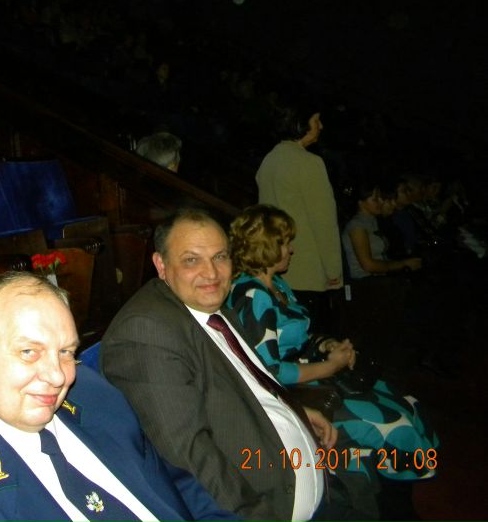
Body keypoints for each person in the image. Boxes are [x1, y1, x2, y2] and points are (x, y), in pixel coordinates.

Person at [0, 272, 240, 522]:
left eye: (65, 352)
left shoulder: (95, 396)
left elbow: (178, 488)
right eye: (29, 352)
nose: (58, 376)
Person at [100, 208, 376, 522]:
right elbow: (188, 462)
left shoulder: (208, 306)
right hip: (273, 505)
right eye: (191, 260)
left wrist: (295, 412)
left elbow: (244, 384)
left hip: (314, 473)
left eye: (220, 257)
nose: (212, 273)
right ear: (161, 265)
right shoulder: (147, 332)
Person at [226, 204, 438, 487]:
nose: (291, 250)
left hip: (312, 376)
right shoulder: (253, 295)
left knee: (406, 403)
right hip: (291, 394)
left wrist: (328, 345)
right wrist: (330, 366)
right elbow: (270, 372)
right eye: (285, 243)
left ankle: (393, 484)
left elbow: (300, 337)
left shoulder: (276, 283)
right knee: (394, 423)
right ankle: (392, 489)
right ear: (267, 246)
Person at [256, 101, 342, 335]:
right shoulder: (309, 162)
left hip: (277, 268)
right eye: (316, 120)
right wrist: (334, 271)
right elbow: (324, 223)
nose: (320, 126)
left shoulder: (269, 160)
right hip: (308, 270)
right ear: (300, 124)